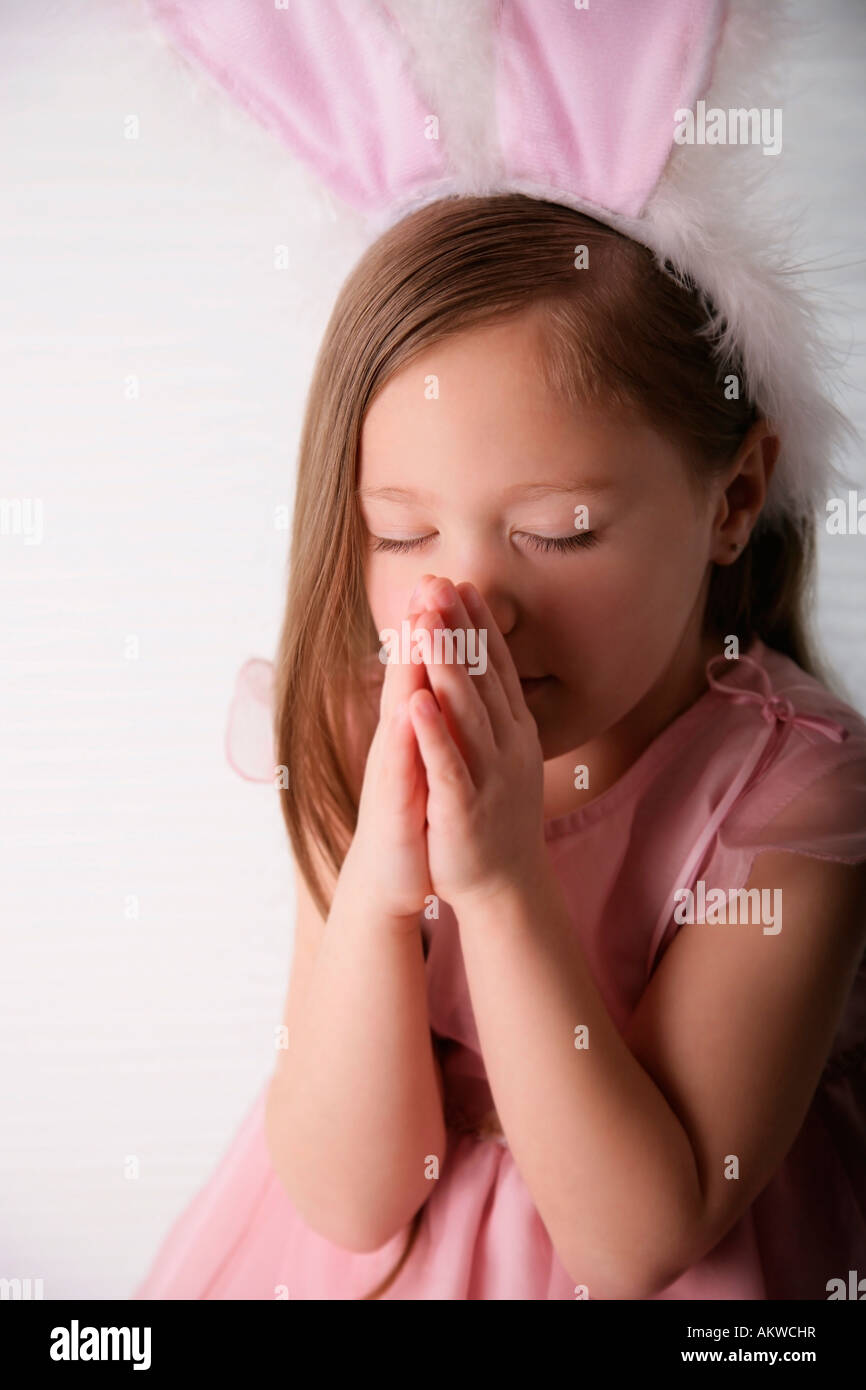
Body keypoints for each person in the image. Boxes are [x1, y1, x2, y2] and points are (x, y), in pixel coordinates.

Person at [134, 193, 866, 1300]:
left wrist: (500, 882)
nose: (471, 600)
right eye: (402, 530)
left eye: (556, 531)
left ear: (734, 498)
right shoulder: (354, 735)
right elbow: (347, 1195)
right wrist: (381, 897)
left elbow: (634, 1244)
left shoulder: (794, 800)